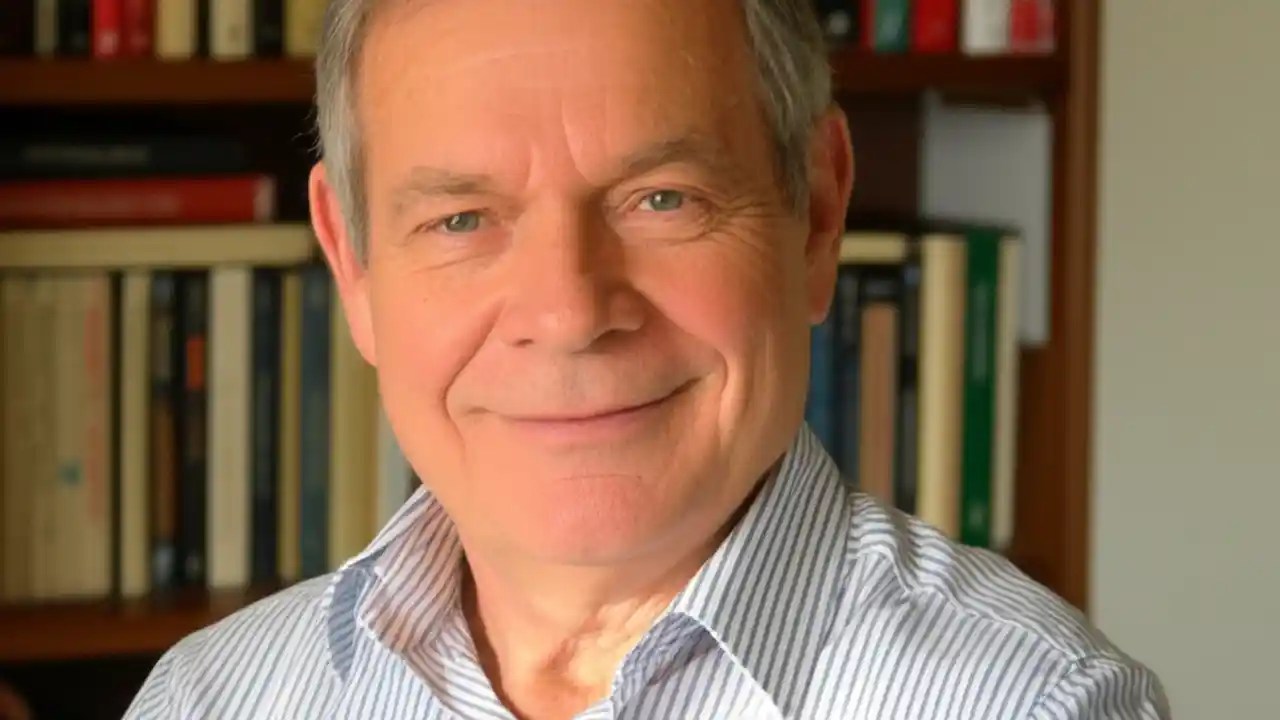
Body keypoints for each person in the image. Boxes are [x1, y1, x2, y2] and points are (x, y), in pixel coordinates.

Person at [125, 0, 1170, 718]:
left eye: (660, 199)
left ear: (813, 214)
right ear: (350, 263)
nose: (569, 311)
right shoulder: (212, 699)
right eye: (460, 219)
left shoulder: (1031, 703)